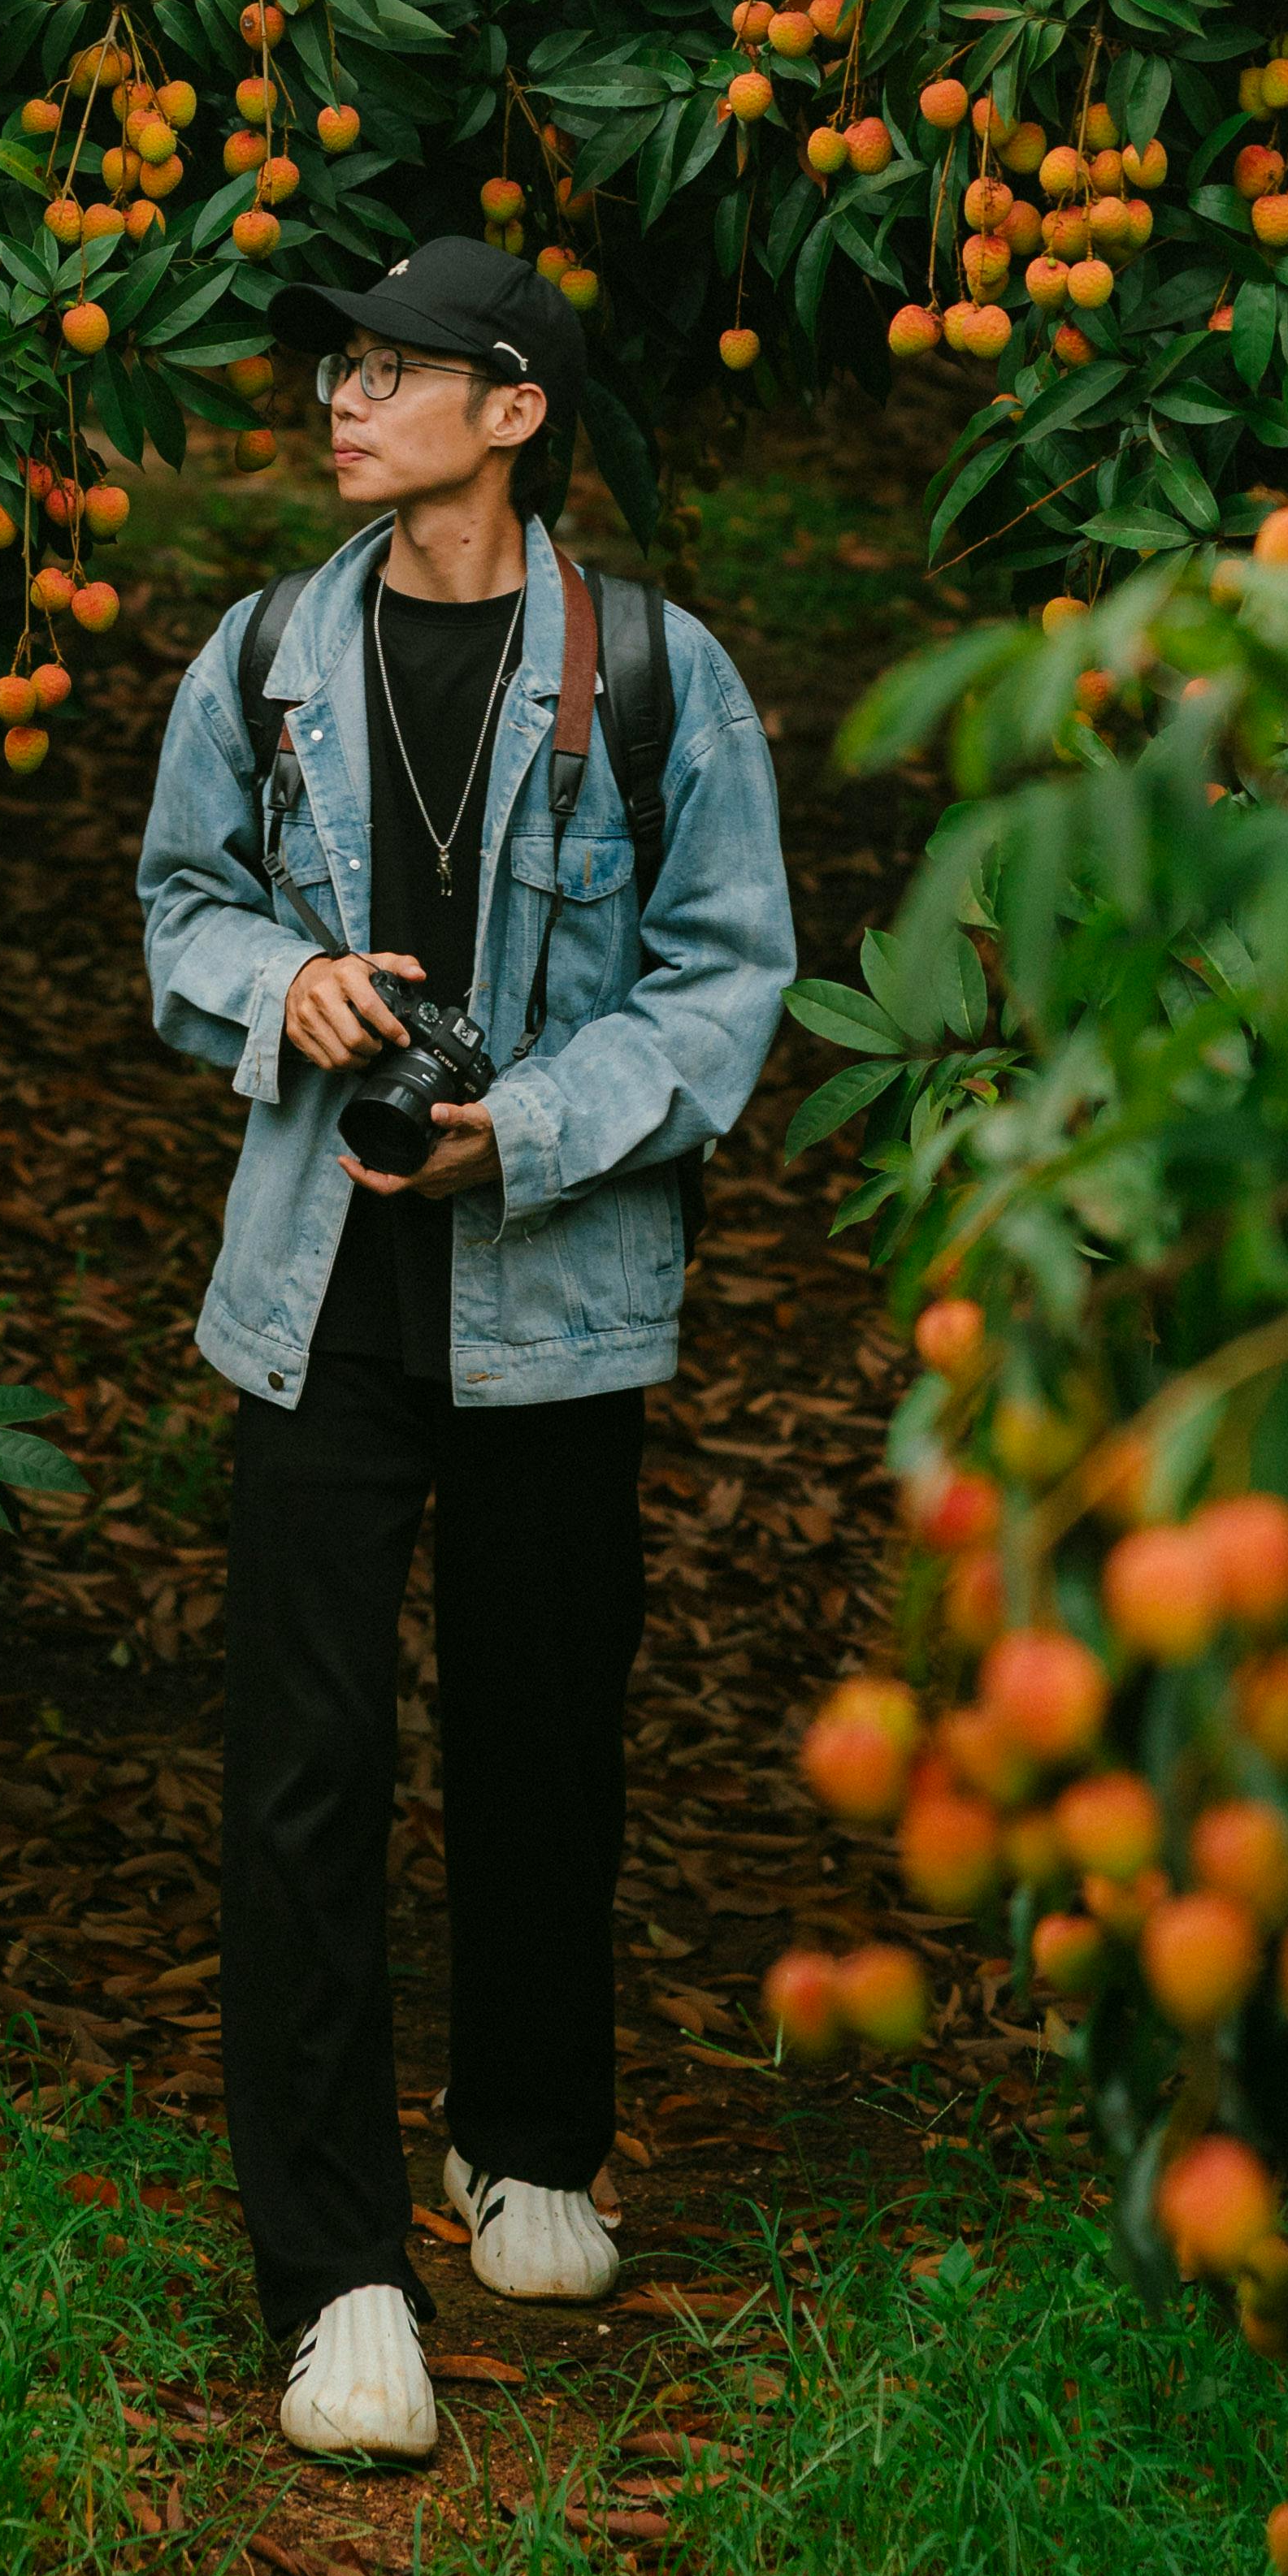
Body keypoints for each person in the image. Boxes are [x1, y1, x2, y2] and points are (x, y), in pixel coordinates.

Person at [136, 241, 795, 2462]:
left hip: (550, 1284)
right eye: (341, 365)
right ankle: (328, 2270)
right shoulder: (261, 656)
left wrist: (528, 1123)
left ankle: (526, 2128)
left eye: (396, 368)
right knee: (302, 1775)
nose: (345, 398)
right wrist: (282, 991)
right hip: (319, 1284)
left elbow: (725, 977)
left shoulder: (658, 674)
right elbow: (178, 903)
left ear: (512, 411)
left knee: (544, 1726)